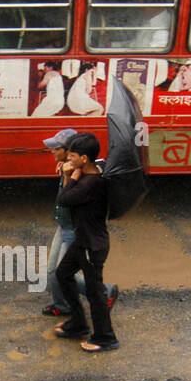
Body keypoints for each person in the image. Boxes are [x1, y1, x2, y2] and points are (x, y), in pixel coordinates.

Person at [40, 129, 117, 318]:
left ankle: (104, 292)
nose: (52, 151)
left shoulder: (83, 176)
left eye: (56, 148)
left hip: (75, 230)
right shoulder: (69, 165)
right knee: (53, 271)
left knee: (63, 272)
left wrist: (69, 176)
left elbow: (64, 199)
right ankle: (62, 305)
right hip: (64, 225)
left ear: (70, 153)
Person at [53, 132, 119, 352]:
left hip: (92, 245)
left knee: (95, 292)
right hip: (83, 242)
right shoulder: (94, 170)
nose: (68, 160)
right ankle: (79, 323)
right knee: (62, 273)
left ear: (84, 158)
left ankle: (105, 338)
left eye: (72, 156)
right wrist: (75, 173)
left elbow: (64, 200)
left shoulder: (90, 184)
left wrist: (69, 177)